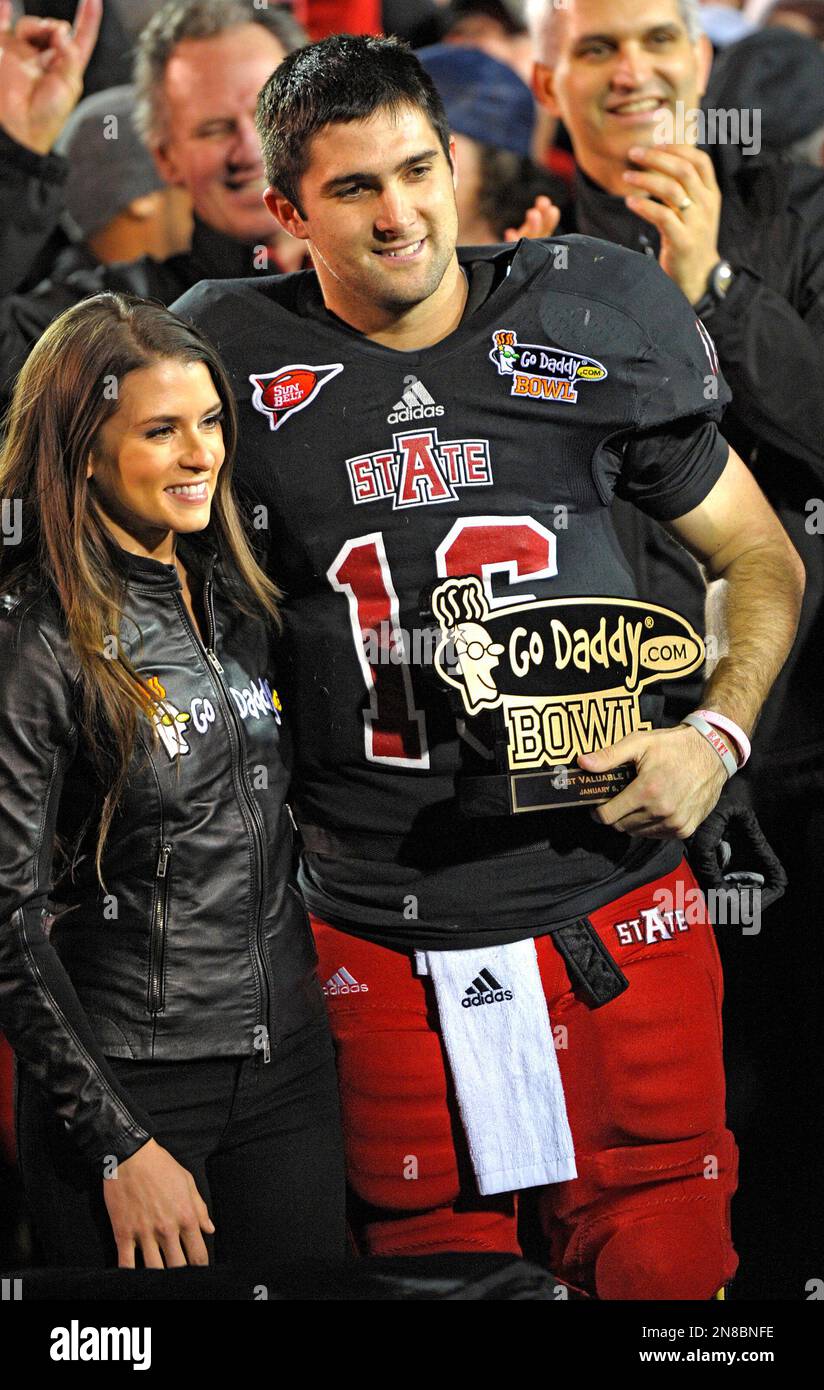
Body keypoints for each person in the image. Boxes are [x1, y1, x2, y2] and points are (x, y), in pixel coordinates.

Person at [174, 34, 803, 1298]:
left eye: (418, 170)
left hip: (613, 904)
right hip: (373, 933)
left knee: (668, 1277)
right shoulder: (219, 357)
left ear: (453, 162)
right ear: (286, 210)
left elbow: (756, 553)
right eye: (353, 189)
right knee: (427, 1276)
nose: (399, 212)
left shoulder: (591, 309)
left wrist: (713, 737)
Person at [529, 0, 824, 1294]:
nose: (630, 71)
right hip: (618, 794)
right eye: (595, 48)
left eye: (656, 40)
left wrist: (711, 288)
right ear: (551, 80)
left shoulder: (796, 217)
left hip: (804, 760)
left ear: (702, 63)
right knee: (646, 1171)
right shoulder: (510, 253)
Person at [0, 292, 346, 1270]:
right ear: (83, 451)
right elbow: (5, 921)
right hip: (131, 1087)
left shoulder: (239, 596)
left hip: (286, 1072)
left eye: (209, 423)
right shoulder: (33, 639)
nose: (201, 454)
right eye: (161, 430)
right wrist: (117, 1141)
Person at [0, 0, 306, 396]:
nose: (249, 150)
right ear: (165, 159)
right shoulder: (119, 319)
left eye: (268, 115)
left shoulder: (396, 259)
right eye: (213, 129)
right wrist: (15, 160)